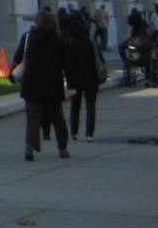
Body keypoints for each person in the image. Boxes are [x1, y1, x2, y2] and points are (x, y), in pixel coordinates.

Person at [13, 8, 72, 161]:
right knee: (57, 117)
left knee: (33, 117)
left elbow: (18, 57)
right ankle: (62, 148)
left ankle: (30, 147)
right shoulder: (58, 39)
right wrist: (70, 81)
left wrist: (12, 74)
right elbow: (66, 61)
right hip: (53, 82)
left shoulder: (29, 37)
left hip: (32, 81)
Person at [63, 14, 103, 142]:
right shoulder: (91, 44)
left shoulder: (68, 45)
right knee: (91, 106)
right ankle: (89, 134)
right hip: (92, 80)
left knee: (75, 106)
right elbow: (100, 60)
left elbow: (66, 65)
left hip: (73, 81)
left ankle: (74, 132)